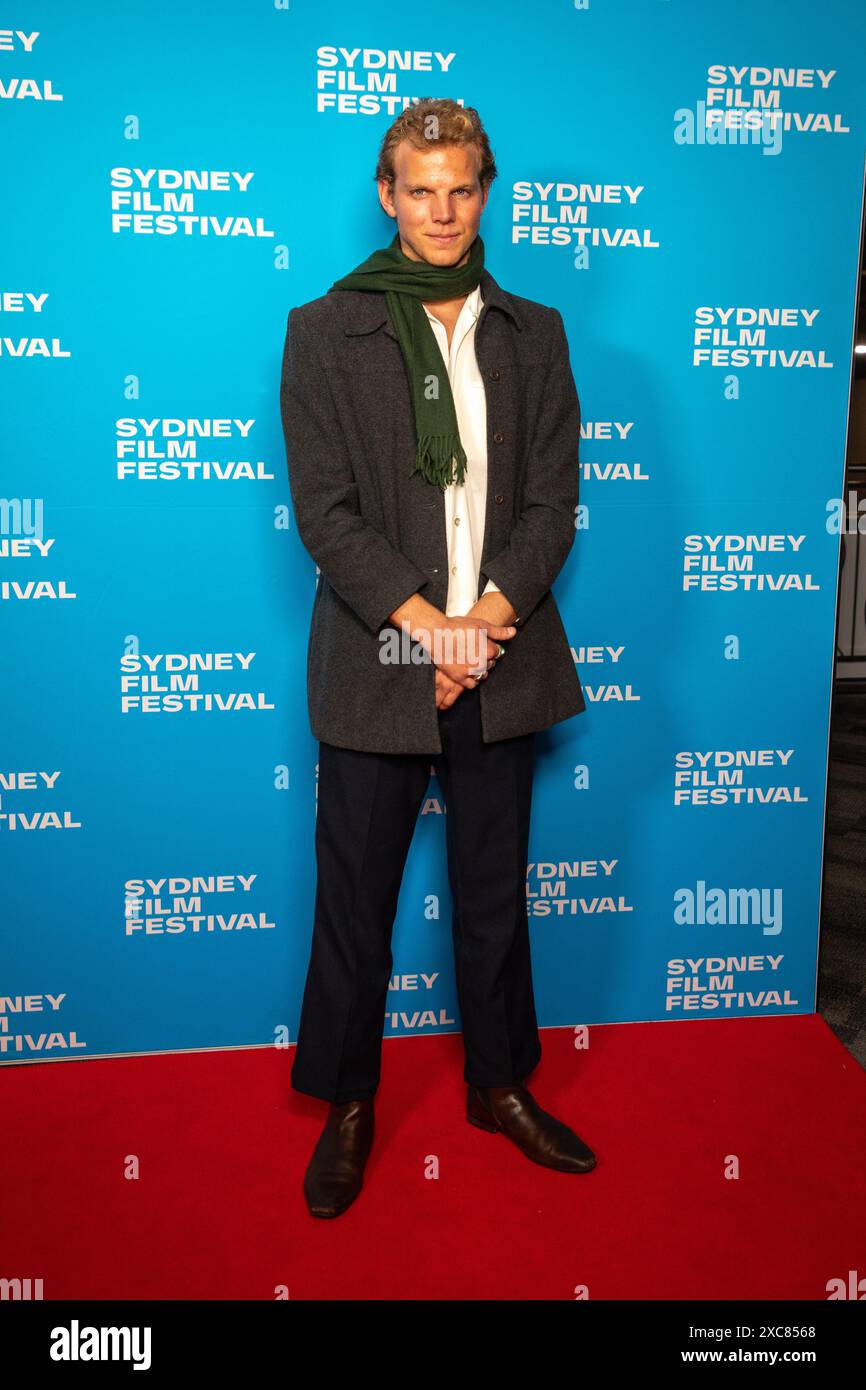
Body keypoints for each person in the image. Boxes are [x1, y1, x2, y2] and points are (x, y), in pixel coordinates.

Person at [279, 97, 595, 1219]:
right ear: (386, 194)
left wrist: (483, 622)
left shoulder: (535, 331)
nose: (442, 210)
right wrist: (433, 630)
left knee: (489, 895)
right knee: (354, 901)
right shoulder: (323, 329)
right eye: (420, 189)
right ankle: (349, 1102)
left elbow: (553, 502)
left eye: (460, 188)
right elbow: (326, 514)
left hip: (500, 654)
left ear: (484, 189)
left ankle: (498, 1085)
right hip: (377, 661)